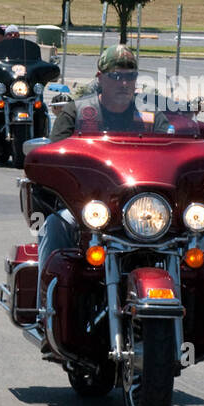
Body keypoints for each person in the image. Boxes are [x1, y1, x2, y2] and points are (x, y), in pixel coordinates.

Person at [36, 45, 171, 309]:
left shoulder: (151, 116)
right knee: (54, 224)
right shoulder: (78, 113)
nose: (124, 83)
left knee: (195, 232)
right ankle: (47, 307)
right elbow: (51, 157)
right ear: (100, 78)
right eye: (115, 76)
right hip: (89, 209)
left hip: (144, 210)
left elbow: (174, 150)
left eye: (130, 76)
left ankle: (201, 304)